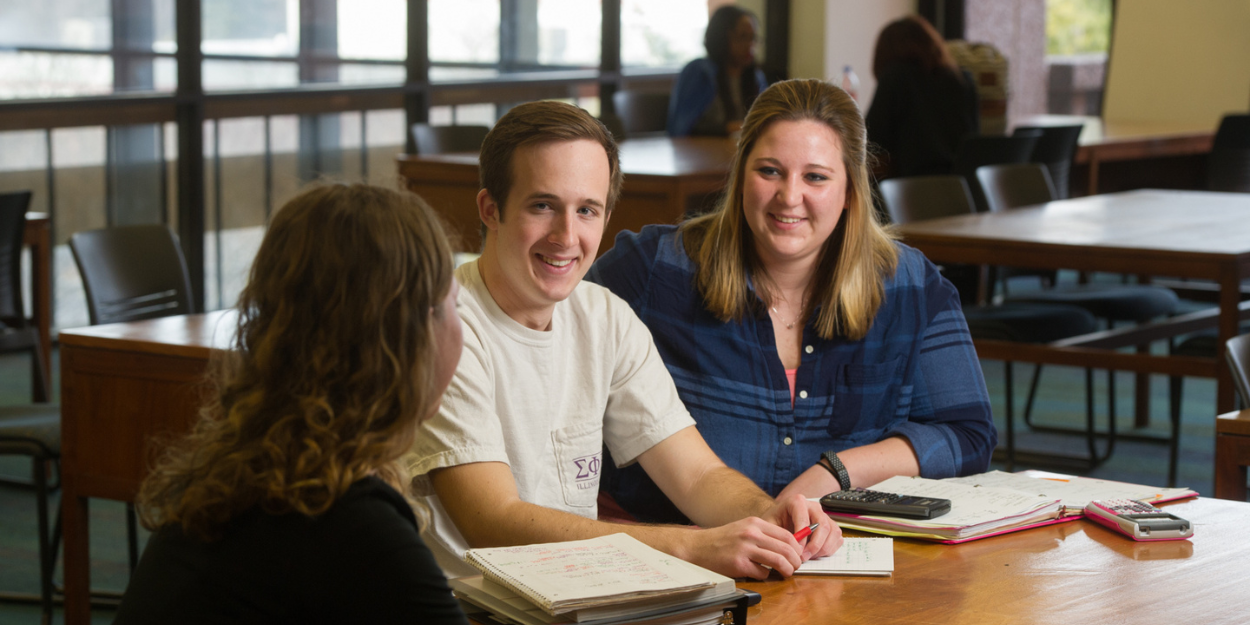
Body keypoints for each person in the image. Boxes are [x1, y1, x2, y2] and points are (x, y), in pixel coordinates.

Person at [407, 99, 841, 582]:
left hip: (578, 601)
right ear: (490, 208)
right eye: (543, 205)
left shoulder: (606, 317)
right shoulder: (444, 328)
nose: (566, 236)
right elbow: (494, 522)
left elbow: (697, 476)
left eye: (587, 210)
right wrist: (693, 545)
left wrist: (770, 517)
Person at [587, 79, 996, 524]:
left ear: (850, 193)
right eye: (769, 171)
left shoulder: (910, 285)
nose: (789, 196)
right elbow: (540, 329)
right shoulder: (652, 269)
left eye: (816, 177)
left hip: (835, 554)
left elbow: (968, 434)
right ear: (741, 175)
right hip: (670, 550)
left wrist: (835, 472)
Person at [114, 184, 469, 624]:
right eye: (454, 303)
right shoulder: (353, 528)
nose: (463, 331)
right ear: (407, 335)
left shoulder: (246, 474)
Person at [865, 15, 979, 178]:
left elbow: (871, 140)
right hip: (961, 190)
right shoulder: (962, 79)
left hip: (910, 191)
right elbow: (974, 137)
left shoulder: (895, 78)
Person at [667, 5, 767, 137]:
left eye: (753, 38)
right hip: (701, 153)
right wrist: (727, 128)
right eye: (742, 37)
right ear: (721, 37)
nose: (750, 45)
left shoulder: (755, 77)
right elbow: (682, 128)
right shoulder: (699, 72)